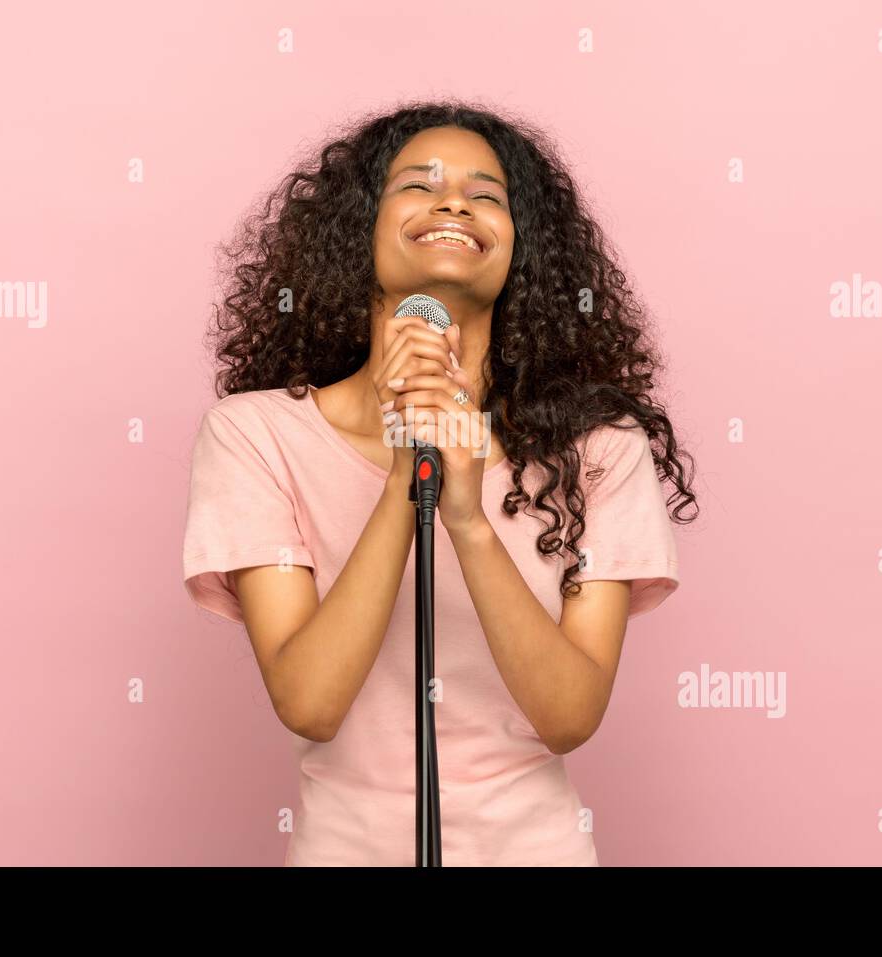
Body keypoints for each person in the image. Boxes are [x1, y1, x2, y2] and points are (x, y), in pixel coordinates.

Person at [183, 100, 698, 866]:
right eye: (418, 186)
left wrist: (470, 521)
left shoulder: (597, 448)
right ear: (360, 230)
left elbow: (570, 715)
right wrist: (404, 478)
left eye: (488, 195)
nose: (455, 200)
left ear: (521, 252)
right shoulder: (257, 434)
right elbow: (311, 701)